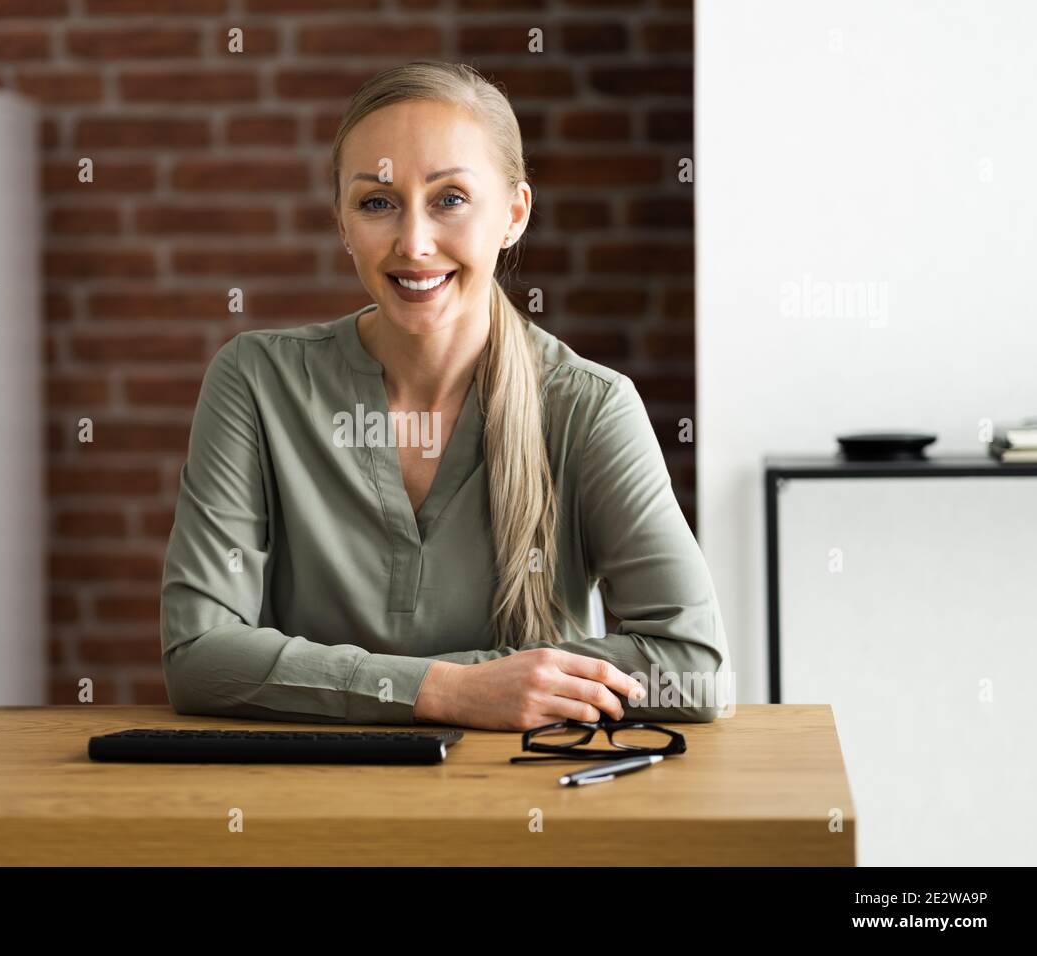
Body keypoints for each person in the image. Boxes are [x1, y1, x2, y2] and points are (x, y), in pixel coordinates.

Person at [160, 61, 728, 731]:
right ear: (343, 223)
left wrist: (366, 684)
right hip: (305, 808)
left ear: (514, 215)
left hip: (525, 808)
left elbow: (692, 668)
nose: (414, 243)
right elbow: (198, 656)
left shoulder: (590, 407)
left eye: (450, 198)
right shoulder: (255, 382)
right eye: (377, 202)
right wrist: (448, 691)